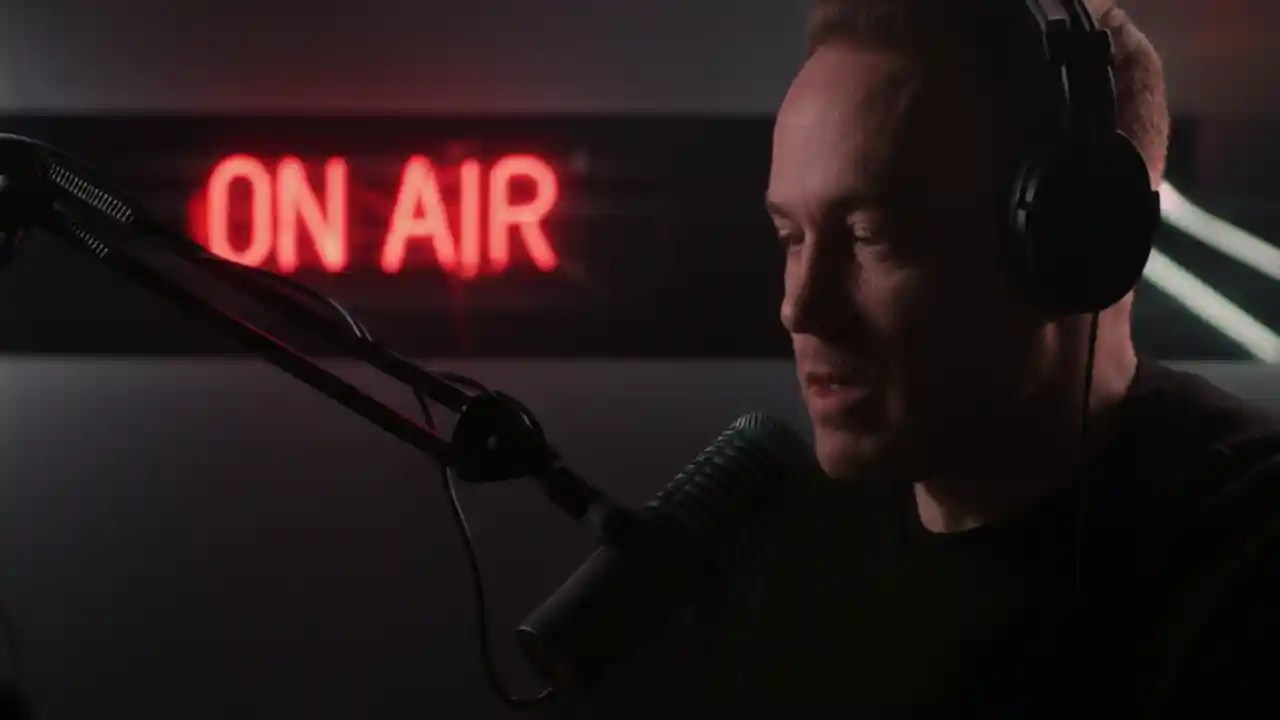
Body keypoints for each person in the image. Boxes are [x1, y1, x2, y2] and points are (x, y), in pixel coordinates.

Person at [571, 1, 1280, 718]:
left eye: (872, 234)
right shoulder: (755, 558)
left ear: (1076, 237)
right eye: (791, 237)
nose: (801, 309)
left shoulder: (1251, 561)